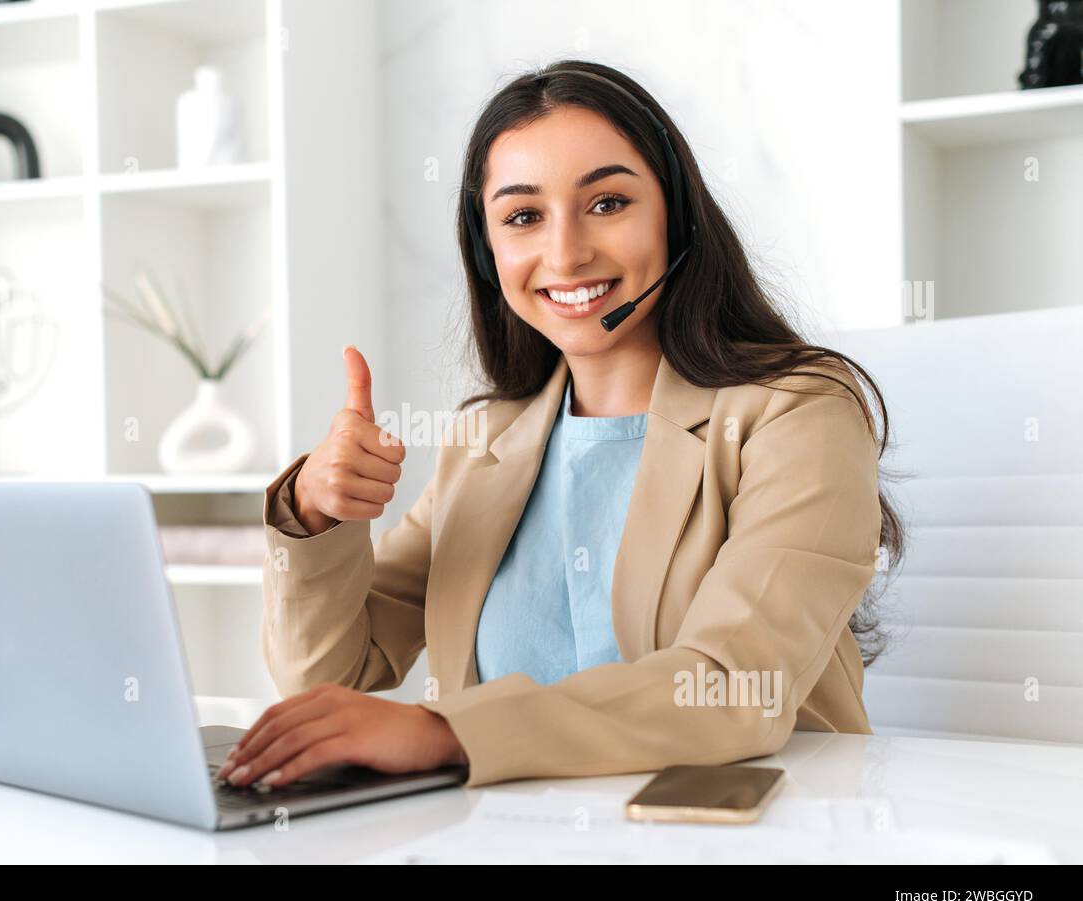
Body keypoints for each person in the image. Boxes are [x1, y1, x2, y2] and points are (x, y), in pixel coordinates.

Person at [218, 60, 904, 791]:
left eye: (607, 203)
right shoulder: (487, 444)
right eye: (523, 216)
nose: (566, 252)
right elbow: (326, 675)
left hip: (736, 832)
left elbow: (736, 687)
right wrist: (316, 516)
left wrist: (447, 732)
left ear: (676, 213)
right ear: (489, 254)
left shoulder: (799, 414)